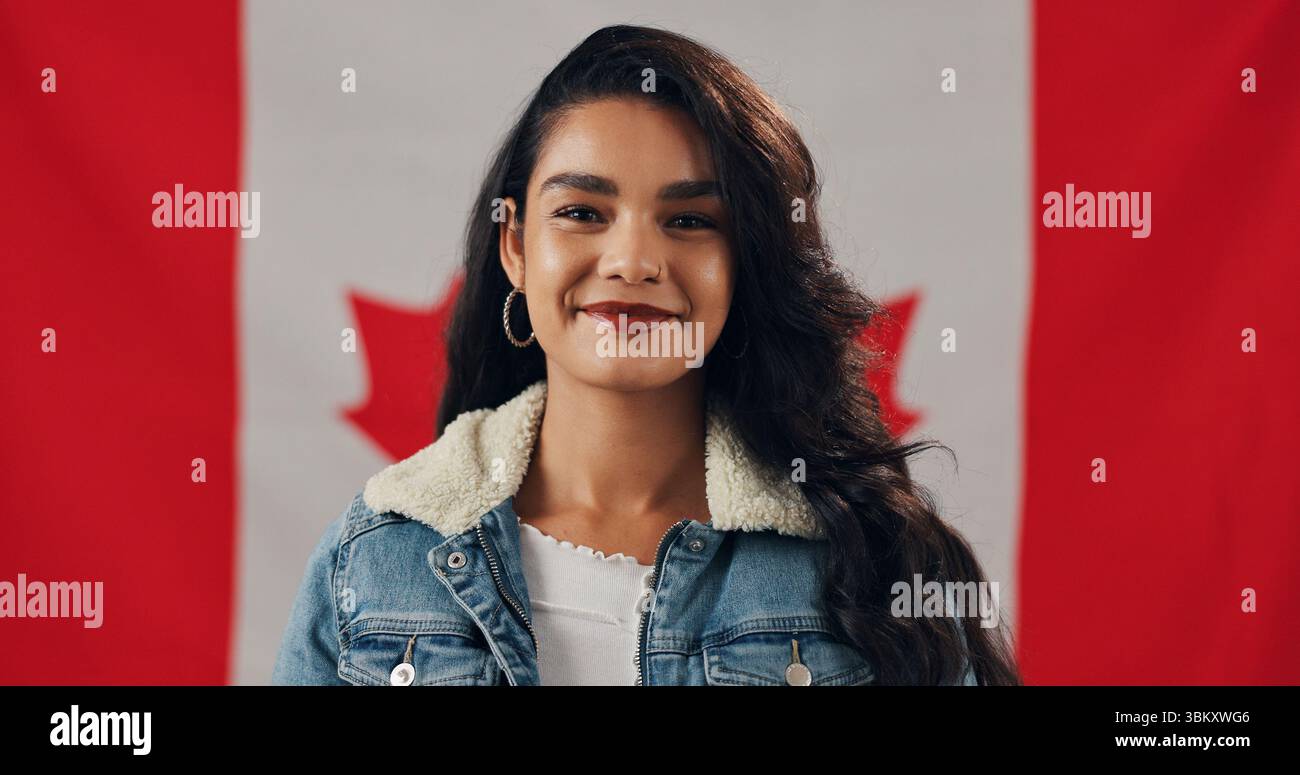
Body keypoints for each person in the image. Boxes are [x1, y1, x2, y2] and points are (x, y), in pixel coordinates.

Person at [272, 24, 1020, 686]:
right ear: (515, 247)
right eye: (581, 213)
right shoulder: (371, 561)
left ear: (745, 262)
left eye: (690, 219)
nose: (632, 258)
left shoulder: (870, 560)